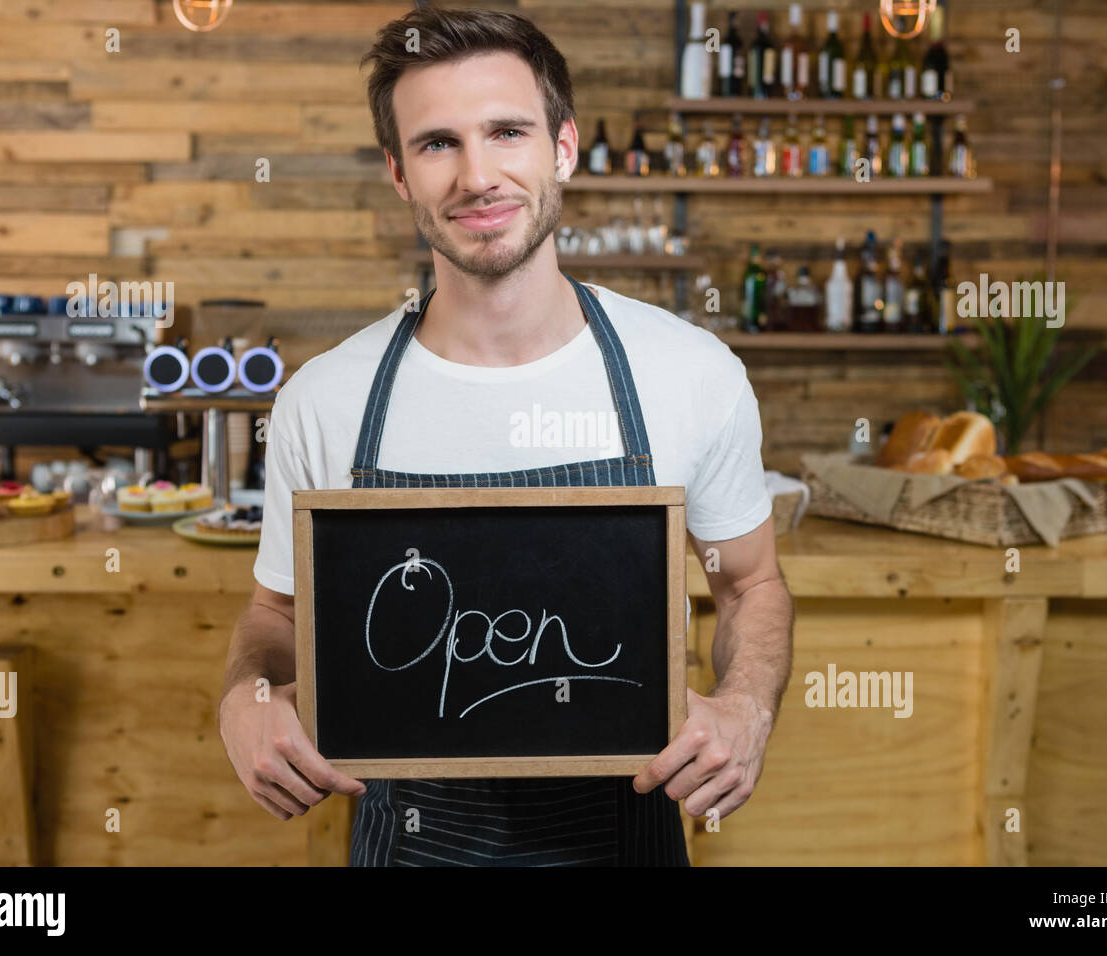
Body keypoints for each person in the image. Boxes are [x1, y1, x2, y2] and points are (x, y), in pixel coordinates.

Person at [219, 6, 794, 867]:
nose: (477, 176)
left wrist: (747, 706)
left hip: (625, 839)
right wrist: (245, 696)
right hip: (404, 845)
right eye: (438, 143)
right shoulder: (325, 400)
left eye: (507, 132)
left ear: (562, 147)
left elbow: (750, 585)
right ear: (399, 173)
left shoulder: (689, 372)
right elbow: (276, 612)